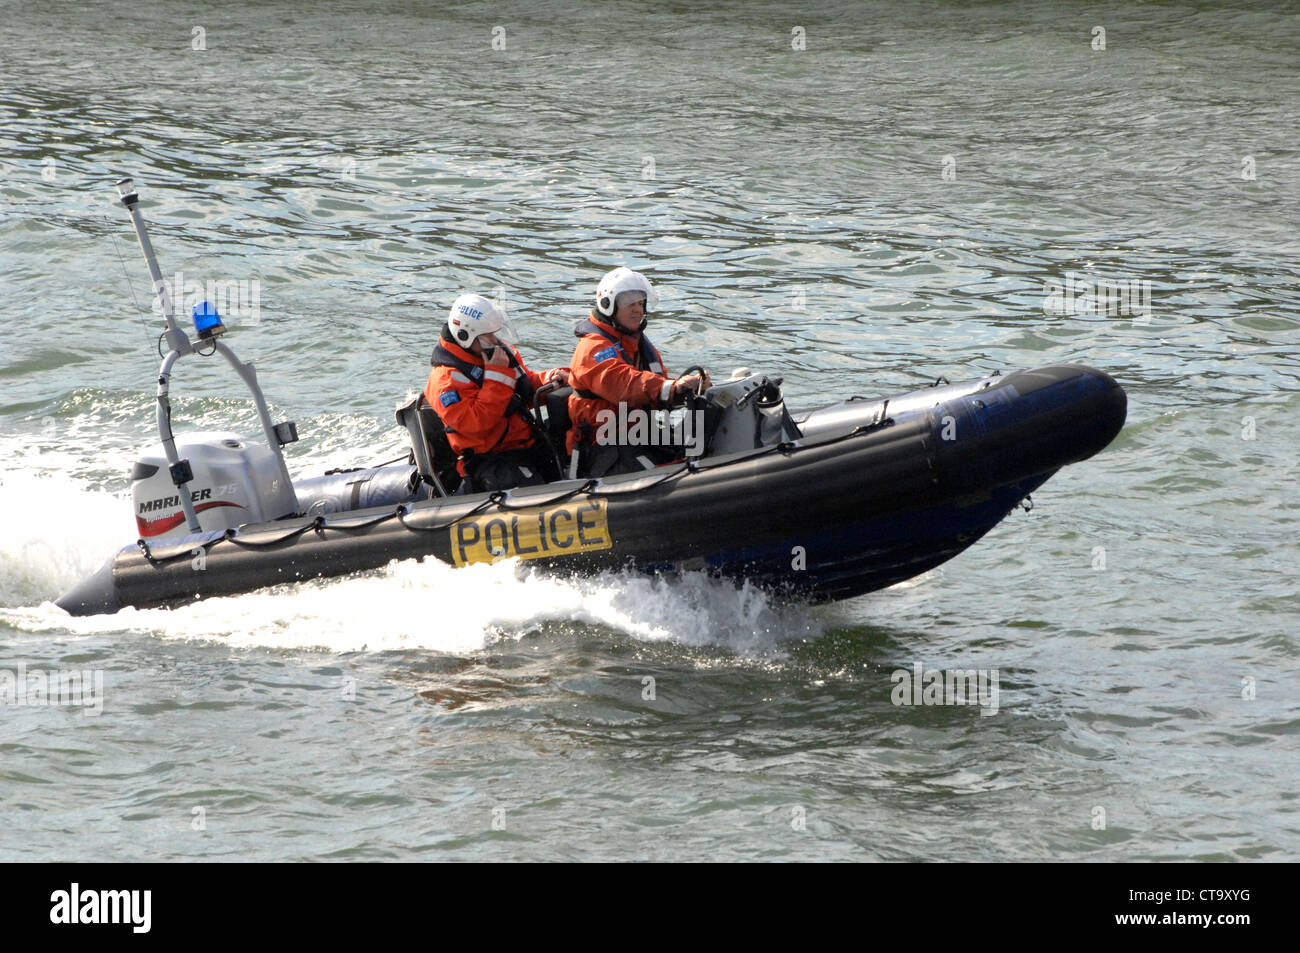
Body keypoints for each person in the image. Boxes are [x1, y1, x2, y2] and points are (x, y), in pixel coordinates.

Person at [566, 267, 709, 477]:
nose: (638, 310)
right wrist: (671, 387)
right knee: (664, 473)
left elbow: (656, 389)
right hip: (605, 443)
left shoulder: (636, 344)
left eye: (641, 303)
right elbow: (625, 384)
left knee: (700, 443)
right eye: (630, 303)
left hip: (638, 432)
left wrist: (686, 389)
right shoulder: (593, 347)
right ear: (608, 305)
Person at [425, 293, 570, 493]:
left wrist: (550, 380)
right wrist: (496, 375)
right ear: (465, 336)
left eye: (493, 334)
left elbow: (523, 388)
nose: (494, 340)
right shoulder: (445, 381)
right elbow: (476, 423)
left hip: (526, 445)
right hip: (490, 462)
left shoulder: (494, 354)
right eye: (487, 336)